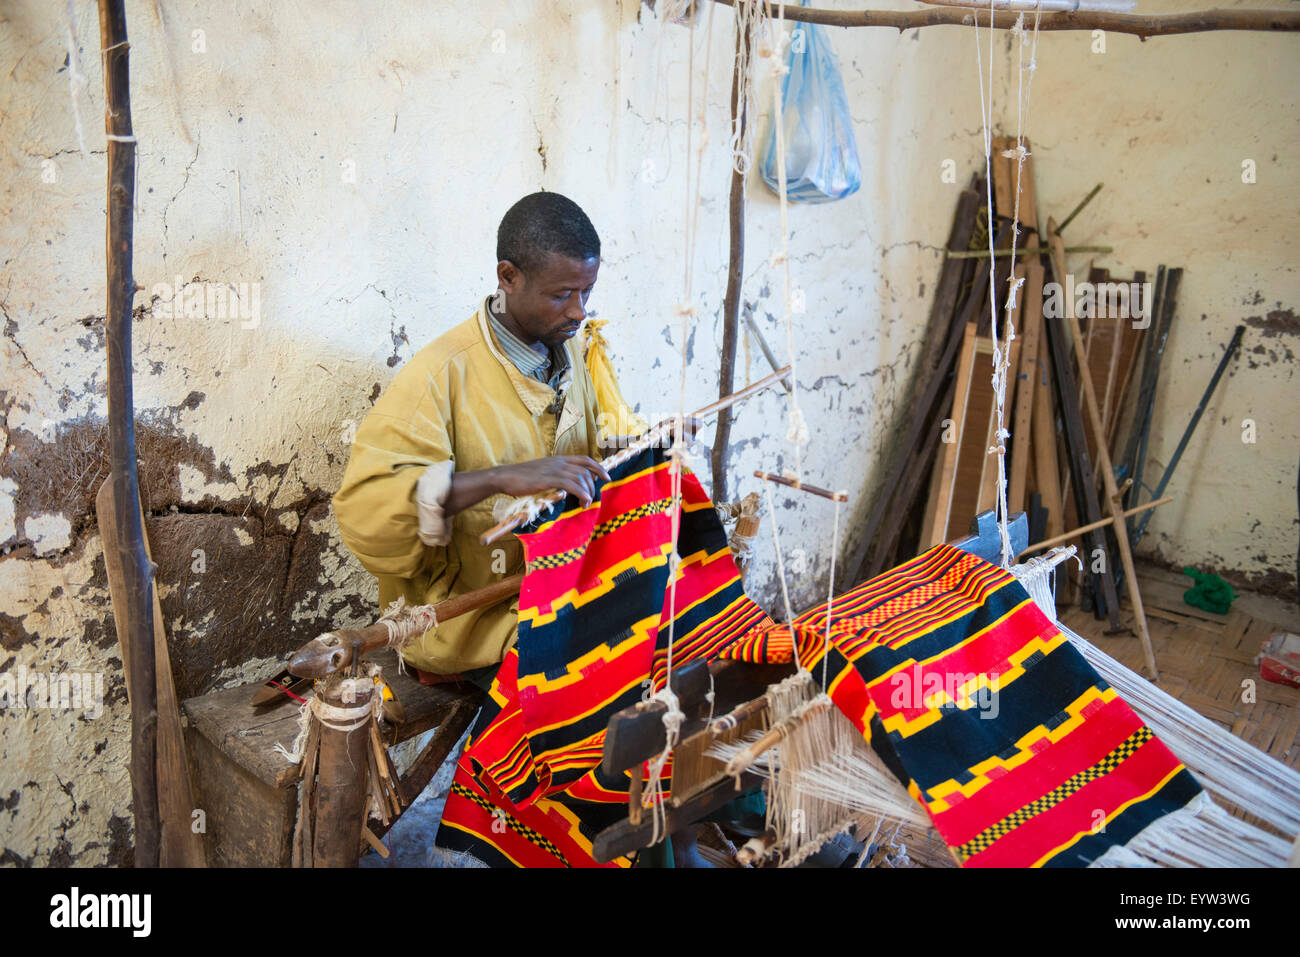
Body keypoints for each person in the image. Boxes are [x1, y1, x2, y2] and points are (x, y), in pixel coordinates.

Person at [332, 191, 613, 689]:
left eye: (586, 293)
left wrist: (649, 446)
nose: (578, 311)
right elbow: (369, 511)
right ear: (509, 277)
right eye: (560, 295)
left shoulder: (568, 355)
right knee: (586, 682)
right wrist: (502, 478)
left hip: (555, 586)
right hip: (467, 620)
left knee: (672, 621)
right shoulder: (438, 376)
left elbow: (599, 455)